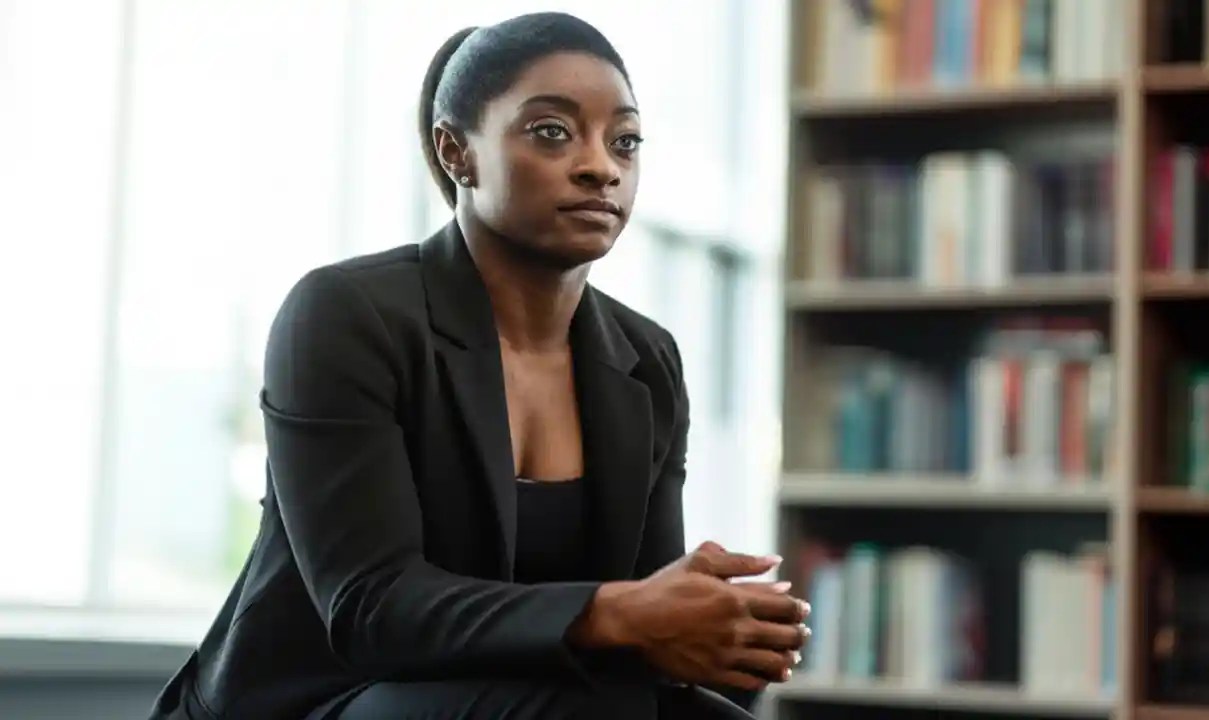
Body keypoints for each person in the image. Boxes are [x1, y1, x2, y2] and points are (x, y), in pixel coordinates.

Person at [147, 11, 809, 720]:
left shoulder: (646, 360)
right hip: (323, 699)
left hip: (535, 694)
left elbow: (642, 615)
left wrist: (712, 628)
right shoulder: (345, 314)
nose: (601, 165)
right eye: (552, 131)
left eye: (626, 141)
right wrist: (624, 613)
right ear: (455, 151)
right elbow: (371, 608)